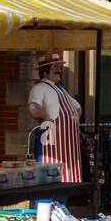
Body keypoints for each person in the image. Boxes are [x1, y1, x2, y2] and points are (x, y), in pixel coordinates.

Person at [28, 51, 83, 183]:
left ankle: (61, 201)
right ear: (45, 72)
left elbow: (77, 107)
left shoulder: (60, 89)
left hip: (68, 140)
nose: (59, 70)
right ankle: (47, 202)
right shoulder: (40, 88)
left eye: (59, 67)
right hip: (50, 139)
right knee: (50, 171)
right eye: (55, 67)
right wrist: (47, 118)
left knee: (67, 171)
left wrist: (73, 118)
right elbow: (33, 107)